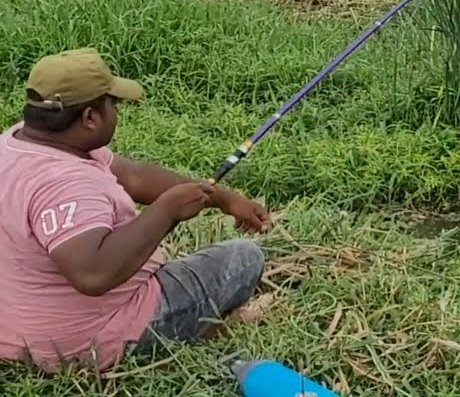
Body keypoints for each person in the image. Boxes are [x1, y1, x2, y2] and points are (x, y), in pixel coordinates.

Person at [0, 47, 275, 372]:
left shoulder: (20, 143)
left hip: (18, 331)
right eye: (112, 105)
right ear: (90, 118)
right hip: (83, 343)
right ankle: (199, 331)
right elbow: (92, 275)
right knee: (242, 258)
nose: (116, 113)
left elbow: (133, 175)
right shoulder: (66, 183)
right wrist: (165, 211)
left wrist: (225, 199)